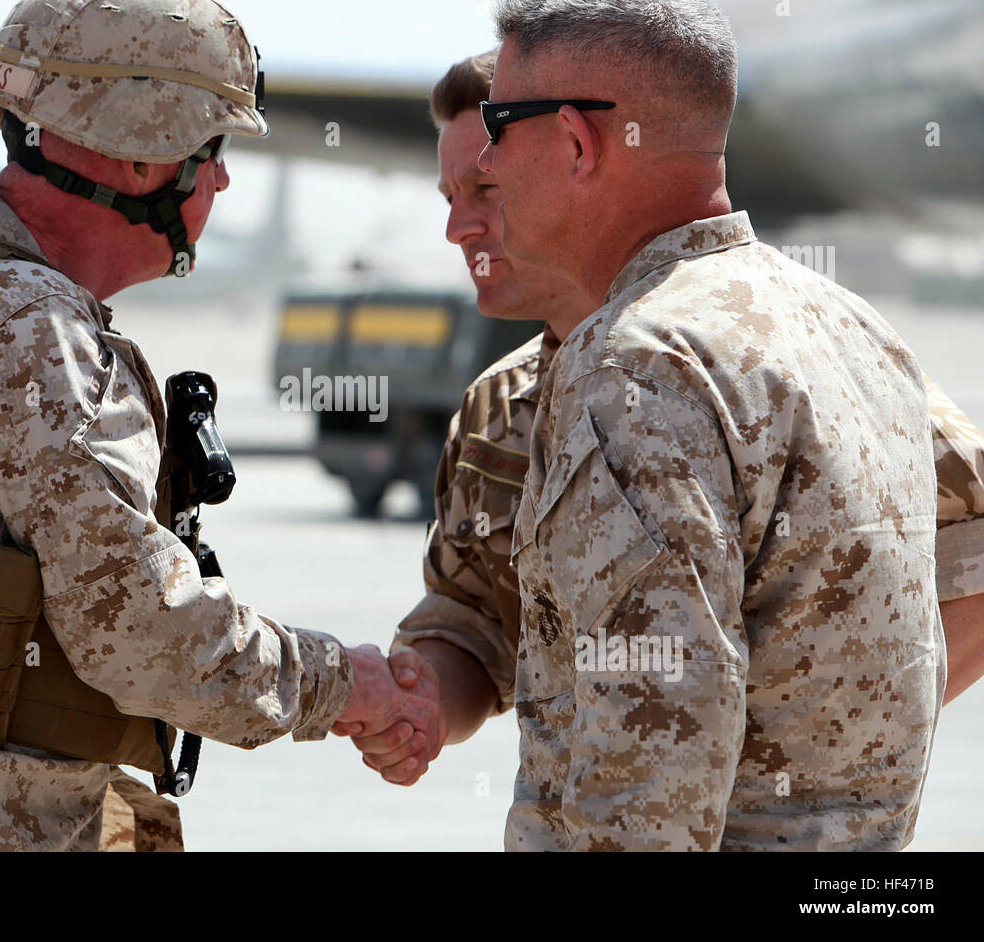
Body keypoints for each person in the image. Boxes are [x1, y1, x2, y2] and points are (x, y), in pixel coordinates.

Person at [0, 0, 440, 852]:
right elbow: (141, 633)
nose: (219, 185)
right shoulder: (33, 333)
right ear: (145, 156)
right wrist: (350, 686)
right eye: (211, 152)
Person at [342, 51, 984, 796]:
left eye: (486, 186)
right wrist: (426, 701)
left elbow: (974, 559)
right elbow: (473, 615)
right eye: (449, 194)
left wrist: (812, 757)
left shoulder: (787, 357)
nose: (458, 227)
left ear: (572, 166)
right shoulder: (502, 406)